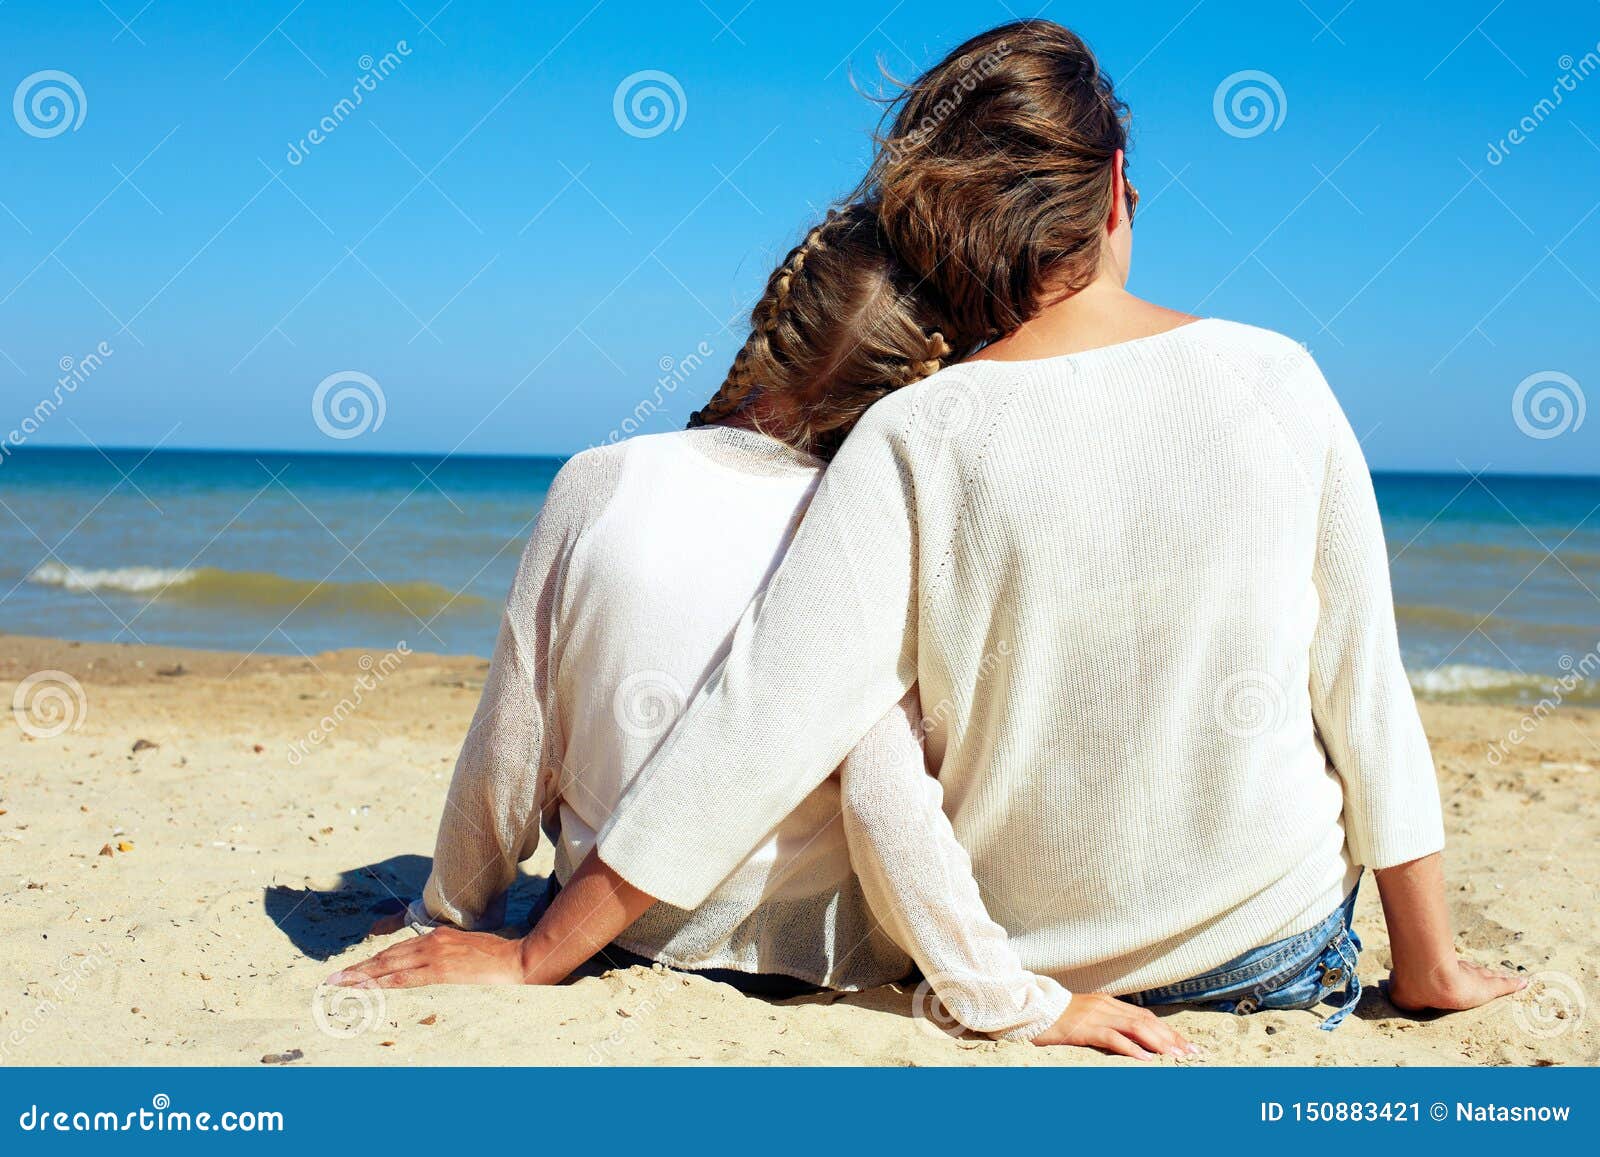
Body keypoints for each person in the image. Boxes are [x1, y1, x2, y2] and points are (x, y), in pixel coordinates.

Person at [330, 204, 1117, 1046]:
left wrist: (453, 909)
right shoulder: (865, 527)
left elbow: (512, 744)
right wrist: (1018, 1001)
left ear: (772, 320)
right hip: (811, 958)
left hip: (612, 933)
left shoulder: (599, 480)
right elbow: (887, 796)